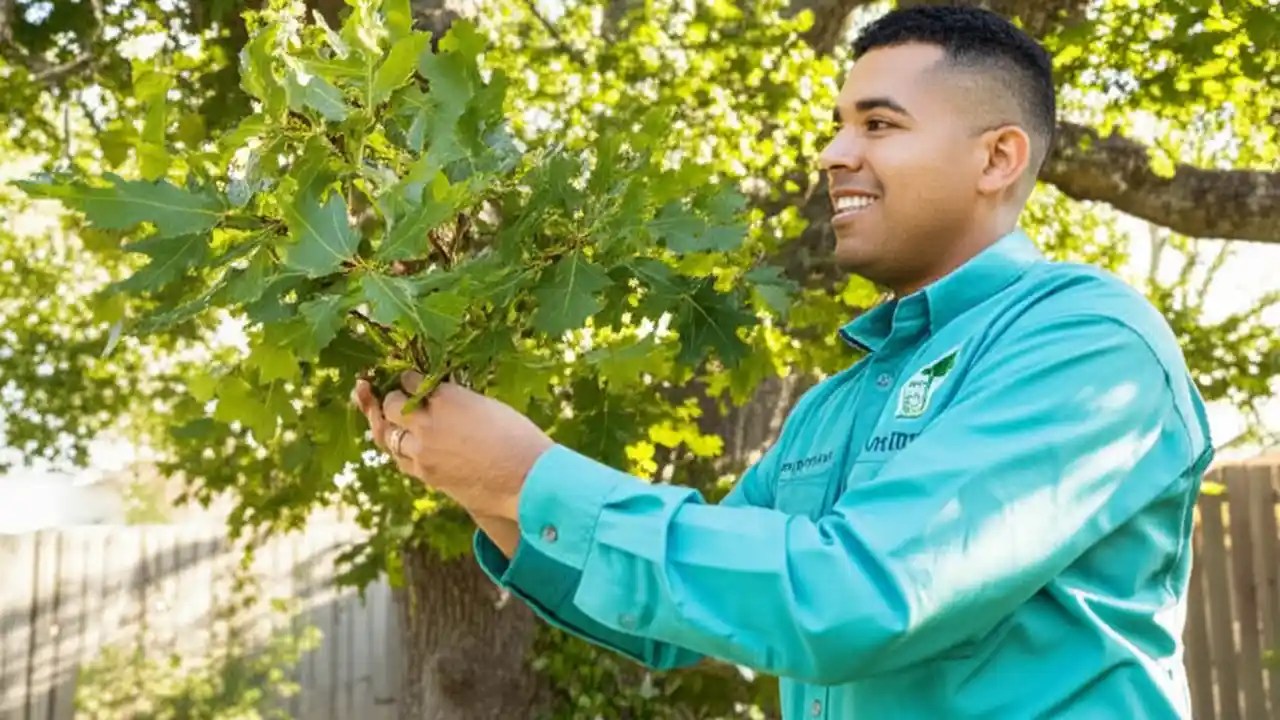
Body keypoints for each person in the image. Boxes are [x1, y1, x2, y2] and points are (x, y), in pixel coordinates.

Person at [353, 5, 1214, 718]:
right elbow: (687, 618)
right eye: (839, 126)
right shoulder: (831, 406)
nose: (835, 155)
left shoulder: (1088, 342)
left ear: (997, 158)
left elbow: (855, 595)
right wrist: (479, 481)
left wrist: (526, 474)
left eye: (878, 124)